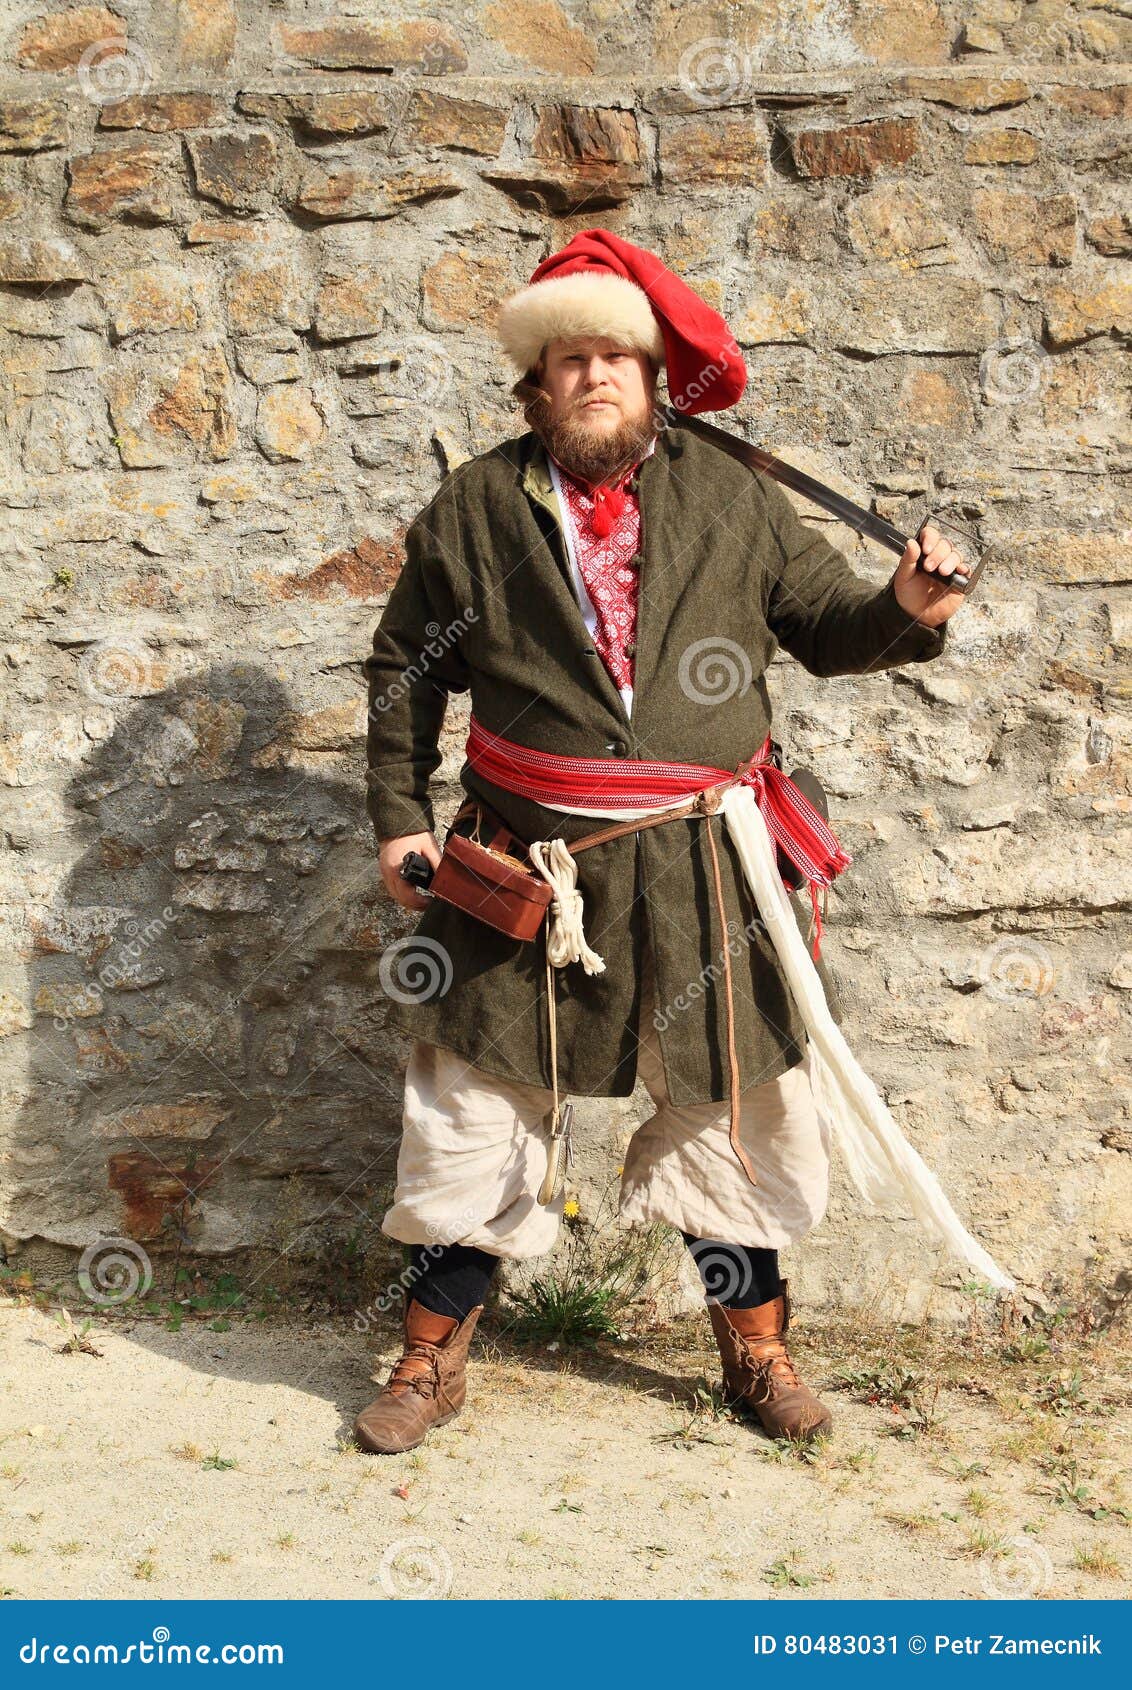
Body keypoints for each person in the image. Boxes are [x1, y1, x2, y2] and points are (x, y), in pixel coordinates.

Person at [356, 228, 972, 1456]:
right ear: (536, 381)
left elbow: (826, 623)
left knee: (731, 1106)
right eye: (568, 359)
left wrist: (905, 605)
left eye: (616, 359)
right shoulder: (477, 502)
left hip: (704, 860)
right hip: (522, 858)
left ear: (649, 379)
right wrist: (399, 818)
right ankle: (428, 1356)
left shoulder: (731, 495)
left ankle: (757, 1353)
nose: (592, 378)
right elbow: (401, 669)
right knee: (475, 1104)